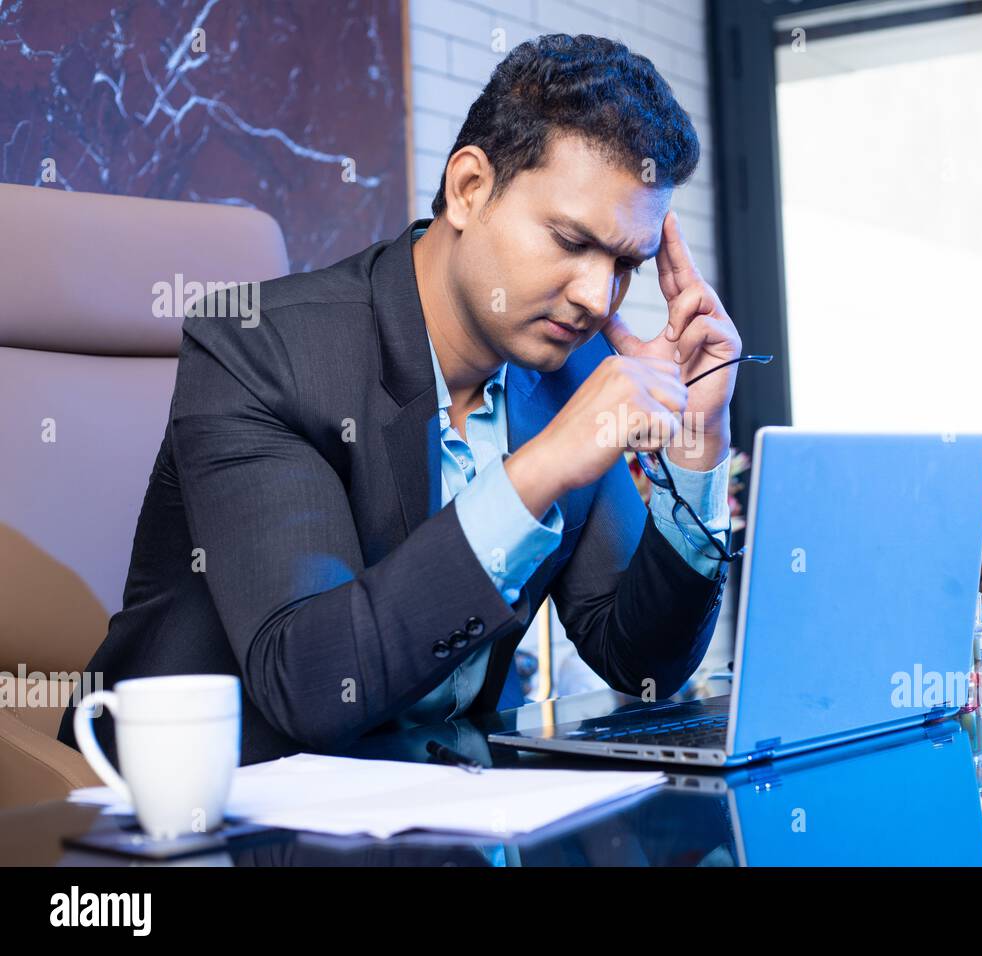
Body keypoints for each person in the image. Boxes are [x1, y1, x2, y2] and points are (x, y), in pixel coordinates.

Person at [58, 33, 740, 766]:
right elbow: (312, 683)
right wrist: (539, 472)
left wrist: (696, 448)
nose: (595, 296)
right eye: (571, 241)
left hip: (430, 802)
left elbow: (639, 663)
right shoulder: (261, 351)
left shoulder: (573, 371)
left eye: (625, 265)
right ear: (469, 188)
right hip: (199, 809)